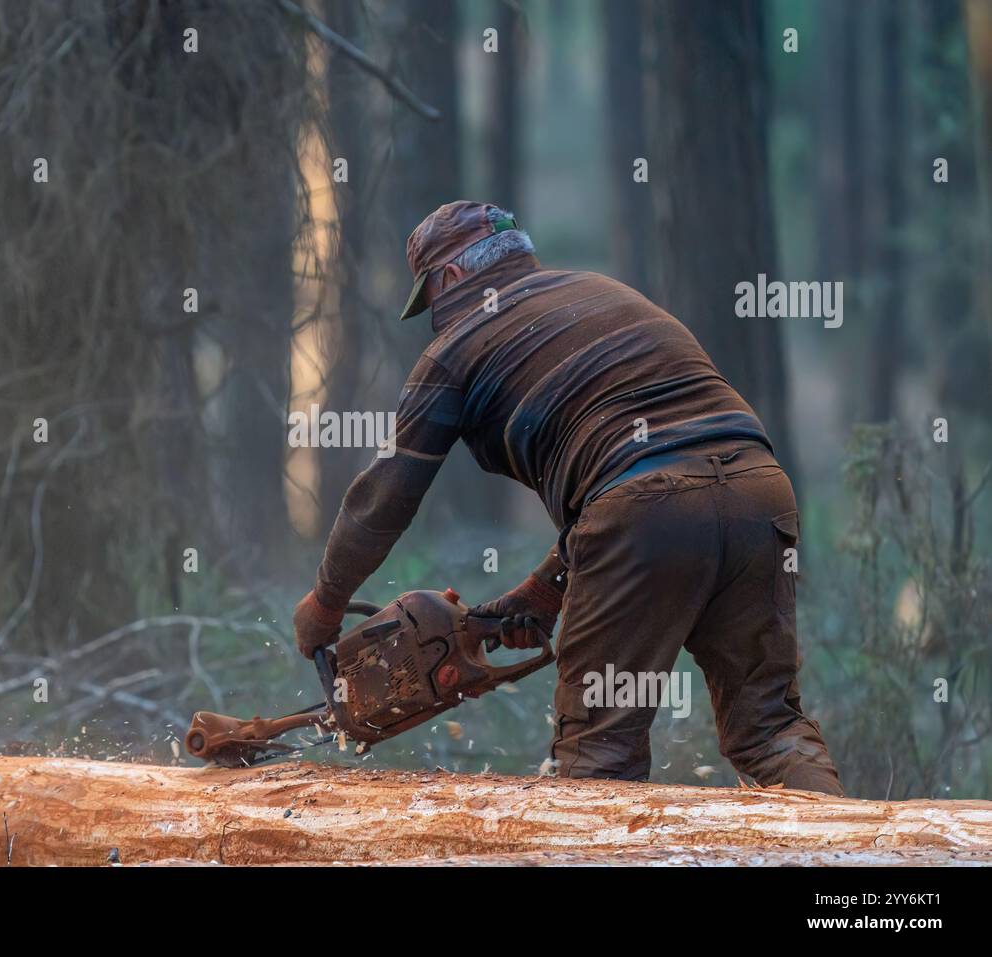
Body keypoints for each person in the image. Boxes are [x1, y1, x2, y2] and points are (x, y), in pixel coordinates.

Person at [292, 200, 843, 795]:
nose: (435, 318)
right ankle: (851, 862)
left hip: (645, 510)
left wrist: (325, 604)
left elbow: (385, 495)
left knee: (598, 750)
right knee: (767, 726)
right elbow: (644, 460)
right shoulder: (604, 292)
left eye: (429, 300)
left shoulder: (454, 348)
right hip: (761, 495)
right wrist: (548, 587)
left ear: (449, 277)